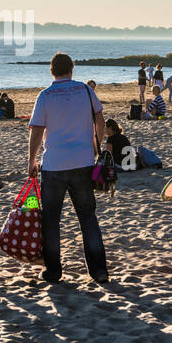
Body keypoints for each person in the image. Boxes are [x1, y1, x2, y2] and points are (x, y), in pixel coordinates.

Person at [28, 52, 108, 284]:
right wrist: (96, 146)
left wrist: (31, 160)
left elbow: (36, 131)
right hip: (83, 161)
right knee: (87, 217)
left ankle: (54, 271)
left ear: (52, 71)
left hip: (54, 165)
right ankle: (99, 271)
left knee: (52, 219)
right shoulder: (85, 90)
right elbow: (100, 120)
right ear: (71, 69)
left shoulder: (45, 95)